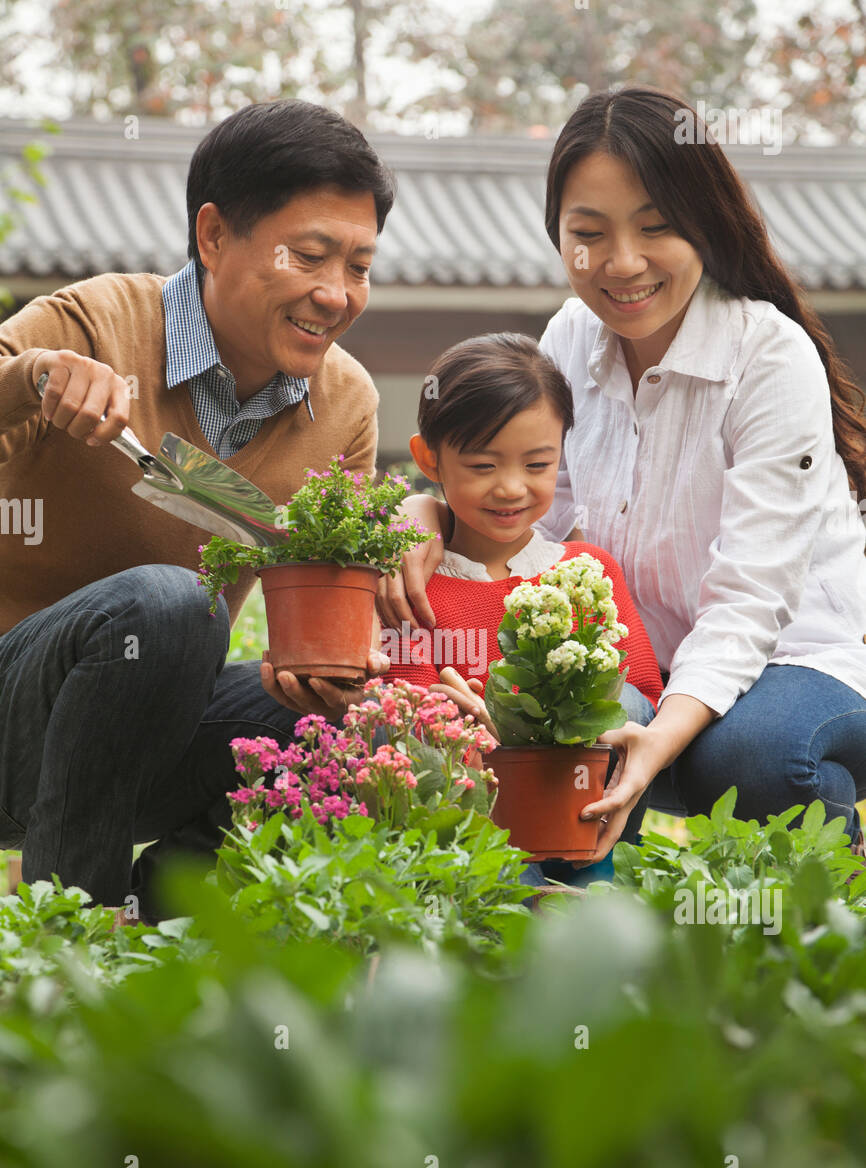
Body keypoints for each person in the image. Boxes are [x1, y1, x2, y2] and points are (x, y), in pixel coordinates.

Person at [386, 86, 866, 864]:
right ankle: (563, 915)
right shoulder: (572, 339)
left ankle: (833, 899)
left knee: (747, 757)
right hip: (642, 665)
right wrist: (429, 514)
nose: (623, 264)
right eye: (589, 234)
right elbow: (530, 522)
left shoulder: (769, 358)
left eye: (657, 228)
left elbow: (751, 601)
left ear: (704, 224)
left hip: (798, 659)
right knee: (563, 722)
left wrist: (658, 736)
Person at [0, 99, 396, 922]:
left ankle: (173, 923)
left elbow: (324, 606)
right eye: (311, 255)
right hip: (15, 716)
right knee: (175, 603)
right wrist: (34, 378)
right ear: (213, 236)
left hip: (149, 728)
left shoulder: (348, 402)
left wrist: (344, 675)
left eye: (358, 265)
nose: (336, 293)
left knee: (358, 723)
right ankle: (72, 933)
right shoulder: (94, 323)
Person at [382, 331, 663, 884]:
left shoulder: (587, 572)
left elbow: (640, 698)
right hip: (465, 829)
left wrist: (516, 729)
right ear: (428, 458)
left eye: (537, 465)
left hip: (583, 826)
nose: (511, 488)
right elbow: (405, 708)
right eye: (483, 466)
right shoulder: (412, 581)